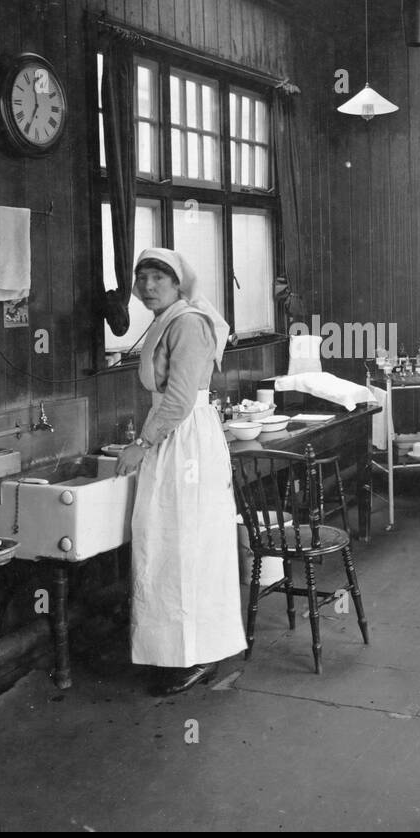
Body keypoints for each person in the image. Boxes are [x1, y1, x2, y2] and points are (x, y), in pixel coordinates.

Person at [114, 248, 246, 695]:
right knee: (170, 543)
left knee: (186, 545)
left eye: (158, 278)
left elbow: (179, 399)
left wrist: (140, 443)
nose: (148, 286)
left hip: (184, 438)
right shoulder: (167, 319)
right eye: (142, 278)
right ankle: (177, 651)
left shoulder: (187, 322)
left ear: (178, 283)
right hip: (176, 435)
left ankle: (197, 655)